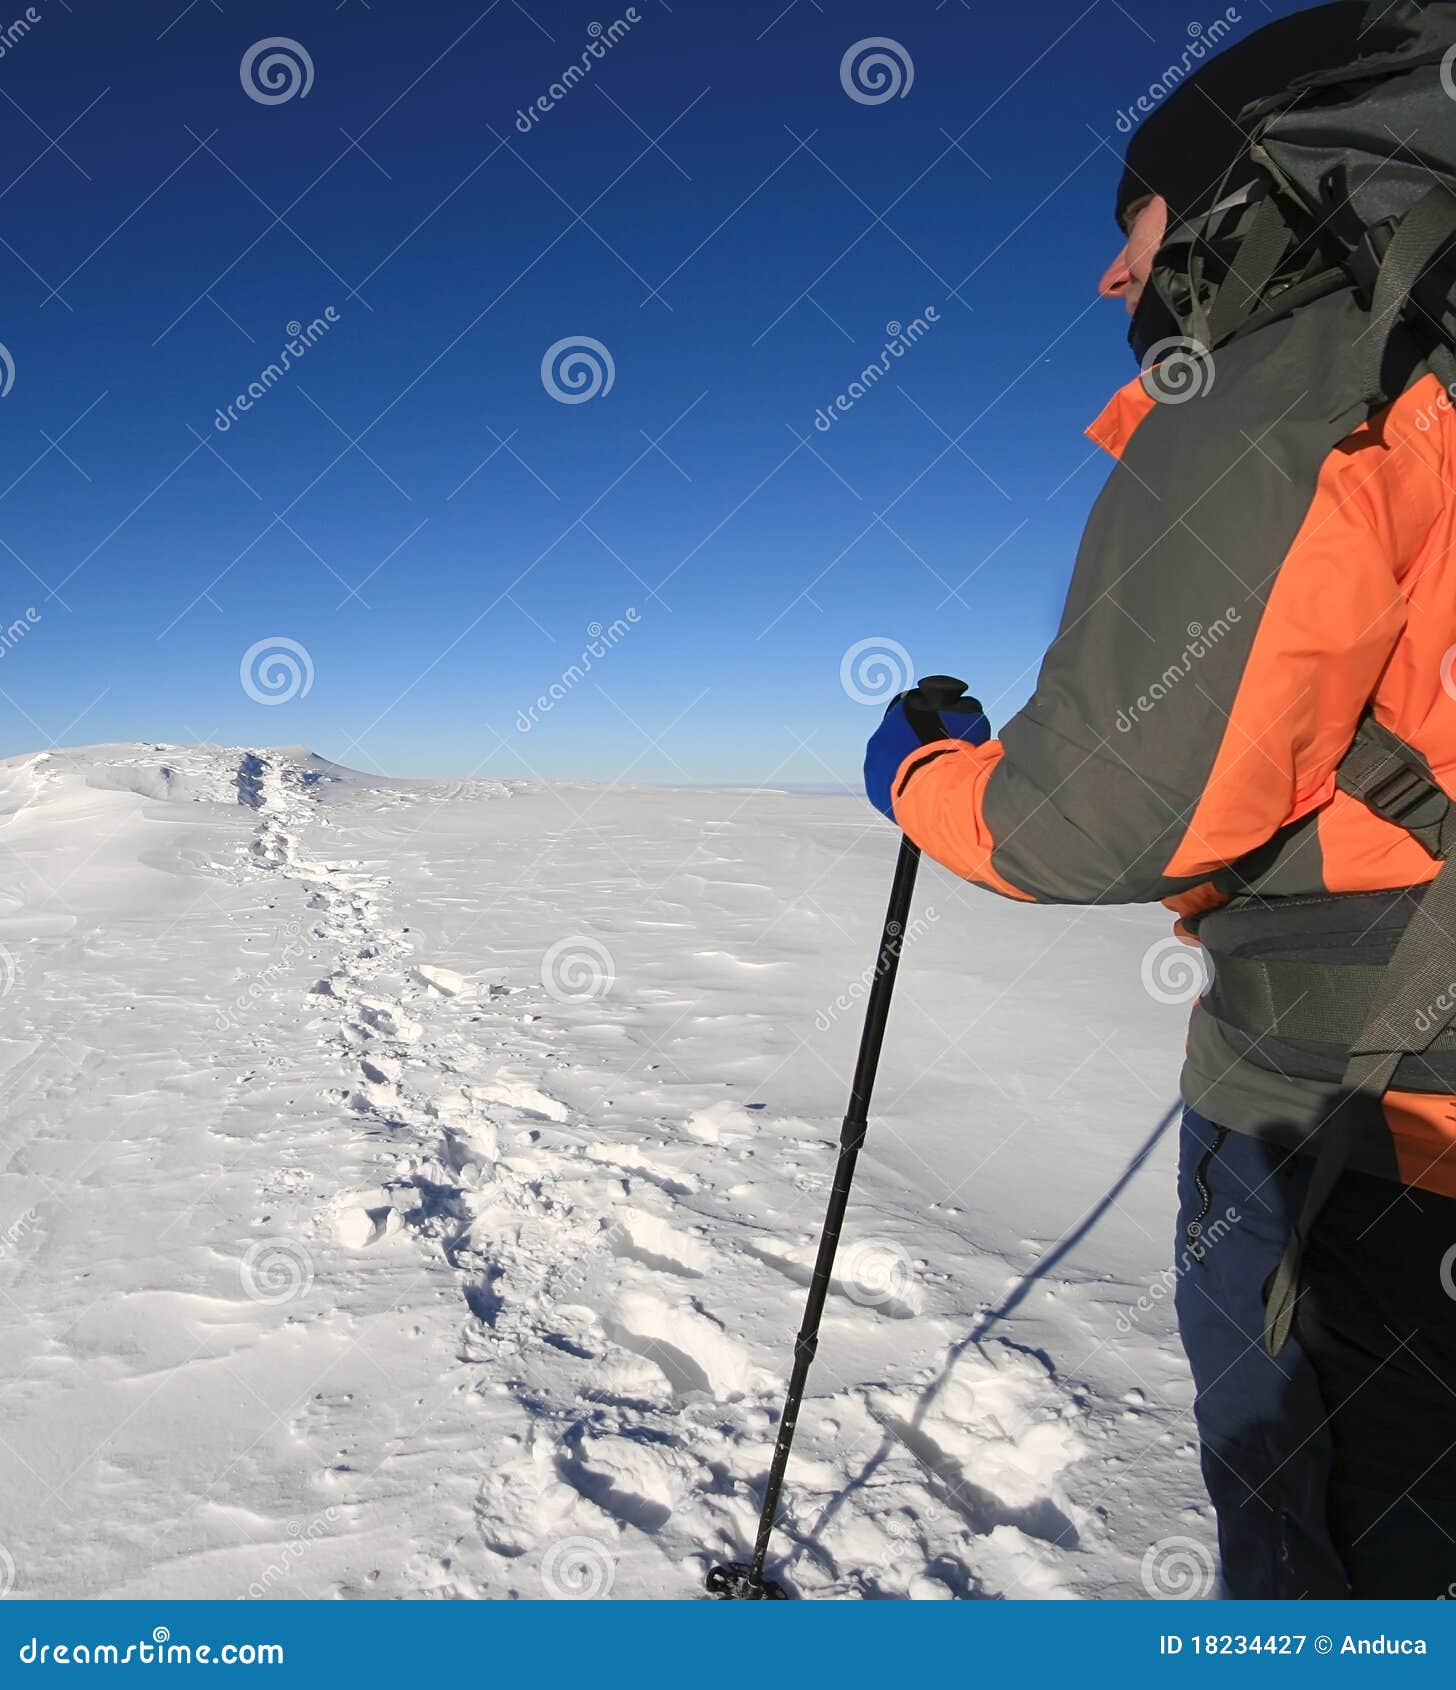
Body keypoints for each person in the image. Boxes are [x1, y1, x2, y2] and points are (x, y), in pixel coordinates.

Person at [865, 0, 1456, 1599]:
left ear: (1226, 181)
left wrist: (919, 767)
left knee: (1338, 1537)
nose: (1116, 274)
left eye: (1132, 218)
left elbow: (1094, 811)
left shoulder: (1311, 358)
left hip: (1375, 1115)